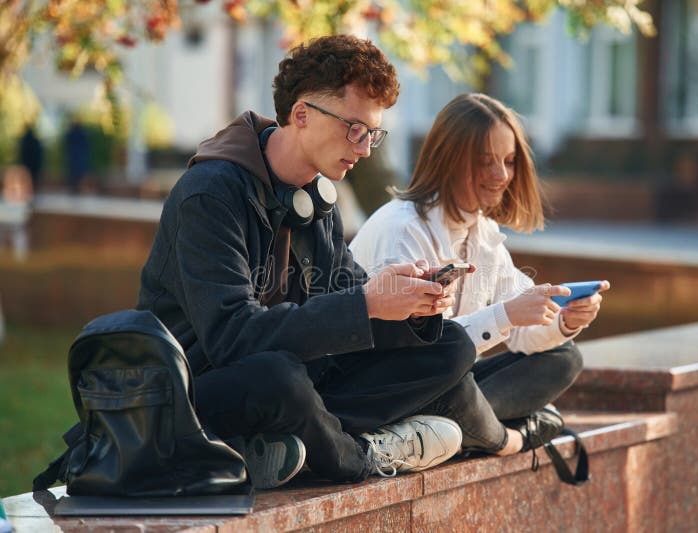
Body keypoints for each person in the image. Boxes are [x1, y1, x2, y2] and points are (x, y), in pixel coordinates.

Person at [137, 36, 503, 490]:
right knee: (278, 378)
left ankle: (294, 444)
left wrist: (407, 307)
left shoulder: (316, 195)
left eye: (373, 133)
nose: (365, 148)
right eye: (355, 128)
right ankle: (358, 455)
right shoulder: (210, 194)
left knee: (449, 346)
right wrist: (364, 304)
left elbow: (346, 306)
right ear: (302, 114)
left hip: (301, 382)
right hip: (200, 388)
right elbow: (231, 337)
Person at [351, 93, 611, 457]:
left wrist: (564, 319)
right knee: (458, 387)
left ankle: (446, 432)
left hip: (447, 389)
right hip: (388, 389)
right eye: (485, 162)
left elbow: (523, 333)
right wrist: (505, 315)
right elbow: (419, 356)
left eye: (508, 161)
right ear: (450, 159)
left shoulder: (482, 232)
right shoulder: (402, 230)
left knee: (563, 357)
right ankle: (499, 436)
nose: (501, 175)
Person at [18, 125, 44, 192]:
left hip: (27, 164)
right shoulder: (35, 141)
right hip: (34, 165)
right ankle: (32, 189)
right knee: (33, 178)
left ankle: (29, 190)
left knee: (28, 178)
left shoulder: (24, 141)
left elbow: (22, 153)